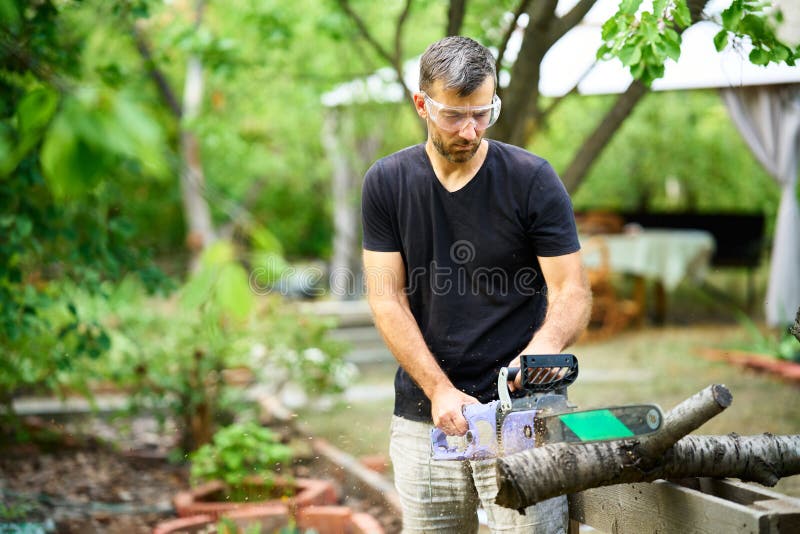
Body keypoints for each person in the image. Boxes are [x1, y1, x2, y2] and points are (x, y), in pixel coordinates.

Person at [361, 36, 591, 533]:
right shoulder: (386, 183)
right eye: (455, 115)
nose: (471, 129)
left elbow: (572, 289)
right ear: (422, 104)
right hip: (425, 417)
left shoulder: (532, 179)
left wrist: (542, 351)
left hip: (522, 418)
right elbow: (385, 296)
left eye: (484, 113)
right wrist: (439, 389)